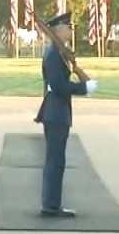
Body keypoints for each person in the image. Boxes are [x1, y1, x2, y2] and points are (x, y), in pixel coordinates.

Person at [34, 12, 97, 218]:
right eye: (68, 27)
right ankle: (51, 206)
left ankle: (52, 203)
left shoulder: (59, 53)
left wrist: (78, 73)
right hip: (55, 111)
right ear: (58, 30)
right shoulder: (53, 54)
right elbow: (58, 85)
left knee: (57, 160)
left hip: (57, 110)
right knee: (55, 160)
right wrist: (84, 88)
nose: (71, 30)